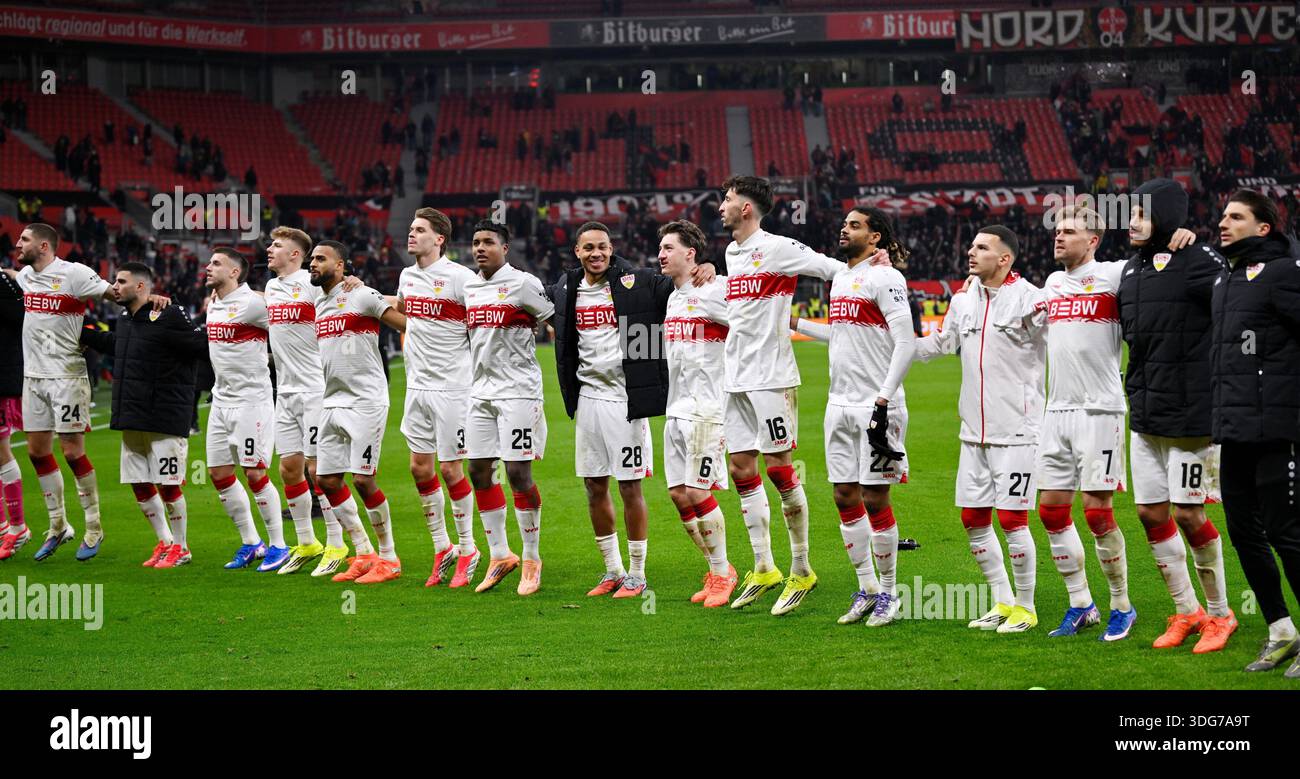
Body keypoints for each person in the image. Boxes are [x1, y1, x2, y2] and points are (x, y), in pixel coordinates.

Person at [548, 221, 714, 599]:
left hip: (625, 400)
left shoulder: (638, 282)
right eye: (588, 247)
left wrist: (706, 267)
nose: (596, 253)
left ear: (611, 249)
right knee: (594, 485)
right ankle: (612, 569)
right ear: (577, 252)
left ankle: (637, 574)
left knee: (629, 486)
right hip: (588, 400)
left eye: (602, 247)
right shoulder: (566, 288)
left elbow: (681, 282)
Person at [718, 175, 845, 615]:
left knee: (779, 470)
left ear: (746, 208)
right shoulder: (731, 253)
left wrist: (873, 268)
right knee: (740, 468)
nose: (722, 206)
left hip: (771, 376)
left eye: (728, 199)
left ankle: (802, 568)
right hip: (734, 377)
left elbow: (834, 269)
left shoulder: (780, 248)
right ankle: (763, 566)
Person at [1119, 178, 1236, 648]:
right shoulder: (1132, 268)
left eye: (1142, 214)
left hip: (1191, 418)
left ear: (1166, 217)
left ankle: (1221, 614)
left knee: (1188, 514)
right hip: (1146, 414)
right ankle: (1186, 611)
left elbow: (1237, 304)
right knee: (1150, 512)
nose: (1131, 222)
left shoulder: (1200, 260)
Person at [915, 225, 1045, 633]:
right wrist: (892, 344)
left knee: (1012, 519)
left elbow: (1063, 342)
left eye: (982, 247)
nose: (971, 252)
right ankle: (1003, 601)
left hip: (1018, 430)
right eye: (971, 245)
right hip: (973, 430)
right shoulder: (962, 299)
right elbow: (940, 344)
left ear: (1004, 259)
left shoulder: (1031, 299)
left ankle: (1026, 607)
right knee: (973, 517)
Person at [794, 208, 917, 627]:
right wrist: (797, 323)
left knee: (875, 498)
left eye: (854, 225)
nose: (844, 229)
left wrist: (884, 397)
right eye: (844, 224)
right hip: (839, 405)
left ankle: (890, 594)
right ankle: (867, 589)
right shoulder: (842, 279)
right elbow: (841, 334)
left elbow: (906, 342)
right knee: (844, 496)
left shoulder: (887, 277)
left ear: (875, 236)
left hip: (876, 406)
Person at [1209, 189, 1300, 675]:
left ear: (1264, 227)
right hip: (1235, 429)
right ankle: (1281, 630)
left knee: (1287, 533)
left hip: (1279, 429)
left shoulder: (1283, 273)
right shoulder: (1226, 278)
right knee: (1244, 533)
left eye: (1237, 217)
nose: (1224, 223)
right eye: (1223, 215)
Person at [3, 224, 128, 561]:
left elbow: (117, 295)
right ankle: (58, 525)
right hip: (33, 378)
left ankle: (94, 526)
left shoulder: (74, 274)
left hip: (67, 376)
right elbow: (14, 274)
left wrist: (154, 301)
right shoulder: (26, 276)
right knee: (37, 453)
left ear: (44, 246)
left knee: (73, 453)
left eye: (25, 240)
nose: (18, 244)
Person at [78, 263, 206, 568]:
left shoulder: (169, 314)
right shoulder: (126, 319)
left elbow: (200, 346)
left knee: (169, 484)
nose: (115, 286)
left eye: (121, 281)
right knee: (139, 482)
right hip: (133, 414)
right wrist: (82, 332)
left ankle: (182, 547)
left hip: (165, 415)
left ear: (140, 286)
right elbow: (118, 346)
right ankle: (165, 541)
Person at [307, 241, 407, 584]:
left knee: (363, 479)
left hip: (365, 401)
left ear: (340, 265)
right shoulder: (319, 302)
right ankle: (364, 553)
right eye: (311, 258)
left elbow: (404, 323)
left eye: (321, 258)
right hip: (331, 401)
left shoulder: (362, 295)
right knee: (326, 479)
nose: (313, 263)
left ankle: (389, 558)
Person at [463, 222, 553, 595]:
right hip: (480, 392)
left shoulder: (523, 283)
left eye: (488, 242)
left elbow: (555, 319)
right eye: (476, 243)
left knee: (517, 473)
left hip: (518, 391)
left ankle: (531, 557)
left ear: (505, 248)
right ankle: (500, 555)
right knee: (478, 470)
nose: (480, 248)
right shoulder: (468, 287)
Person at [394, 208, 480, 588]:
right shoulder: (407, 276)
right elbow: (404, 313)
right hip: (417, 387)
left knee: (451, 470)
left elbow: (480, 326)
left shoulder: (461, 278)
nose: (411, 235)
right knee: (419, 468)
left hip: (453, 389)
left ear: (439, 239)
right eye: (411, 229)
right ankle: (442, 547)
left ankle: (468, 549)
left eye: (419, 230)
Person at [658, 220, 737, 607]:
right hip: (676, 409)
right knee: (678, 493)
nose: (660, 254)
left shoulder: (715, 289)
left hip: (707, 409)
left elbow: (748, 324)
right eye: (660, 248)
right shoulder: (673, 298)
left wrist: (716, 271)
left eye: (668, 248)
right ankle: (715, 567)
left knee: (697, 490)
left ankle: (723, 574)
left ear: (690, 254)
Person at [262, 227, 344, 577]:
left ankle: (337, 543)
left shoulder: (313, 284)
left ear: (295, 254)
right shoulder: (271, 288)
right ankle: (307, 541)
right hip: (285, 391)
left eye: (277, 245)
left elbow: (346, 292)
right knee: (288, 468)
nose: (269, 249)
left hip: (315, 389)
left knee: (318, 470)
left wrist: (353, 283)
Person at [202, 248, 288, 571]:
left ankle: (279, 545)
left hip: (252, 401)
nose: (209, 267)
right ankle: (252, 542)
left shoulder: (253, 303)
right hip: (221, 401)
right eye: (210, 262)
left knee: (255, 473)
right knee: (219, 473)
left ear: (235, 272)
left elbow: (287, 323)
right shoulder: (213, 303)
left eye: (216, 263)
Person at [0, 270, 25, 552]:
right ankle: (5, 528)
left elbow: (21, 318)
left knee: (1, 451)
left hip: (3, 379)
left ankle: (17, 527)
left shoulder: (4, 283)